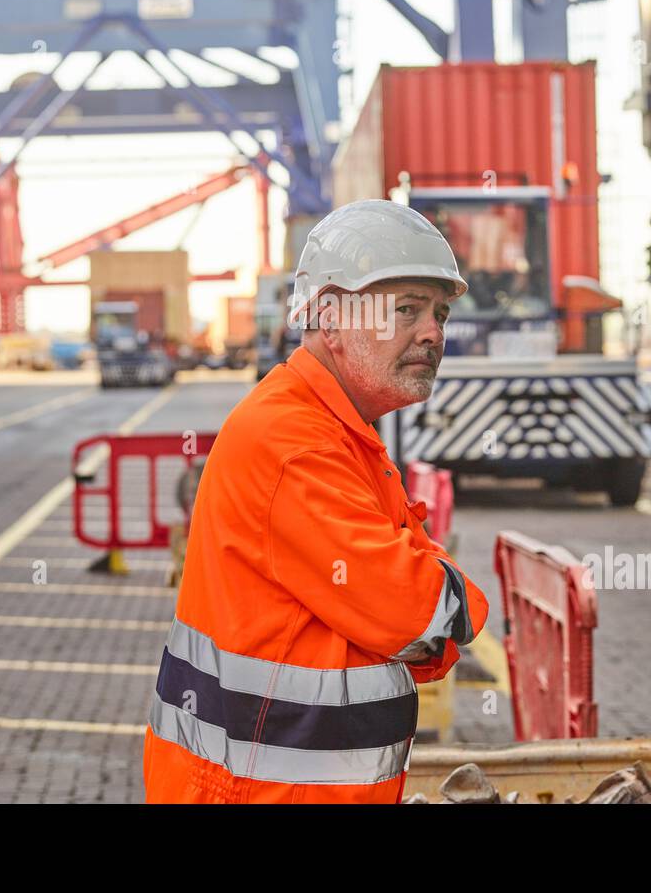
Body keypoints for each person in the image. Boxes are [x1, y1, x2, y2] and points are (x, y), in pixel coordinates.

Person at [143, 199, 490, 803]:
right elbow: (420, 616)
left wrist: (424, 597)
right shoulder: (295, 444)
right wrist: (444, 596)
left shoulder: (338, 432)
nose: (433, 331)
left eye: (439, 312)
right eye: (406, 309)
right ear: (330, 318)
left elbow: (416, 621)